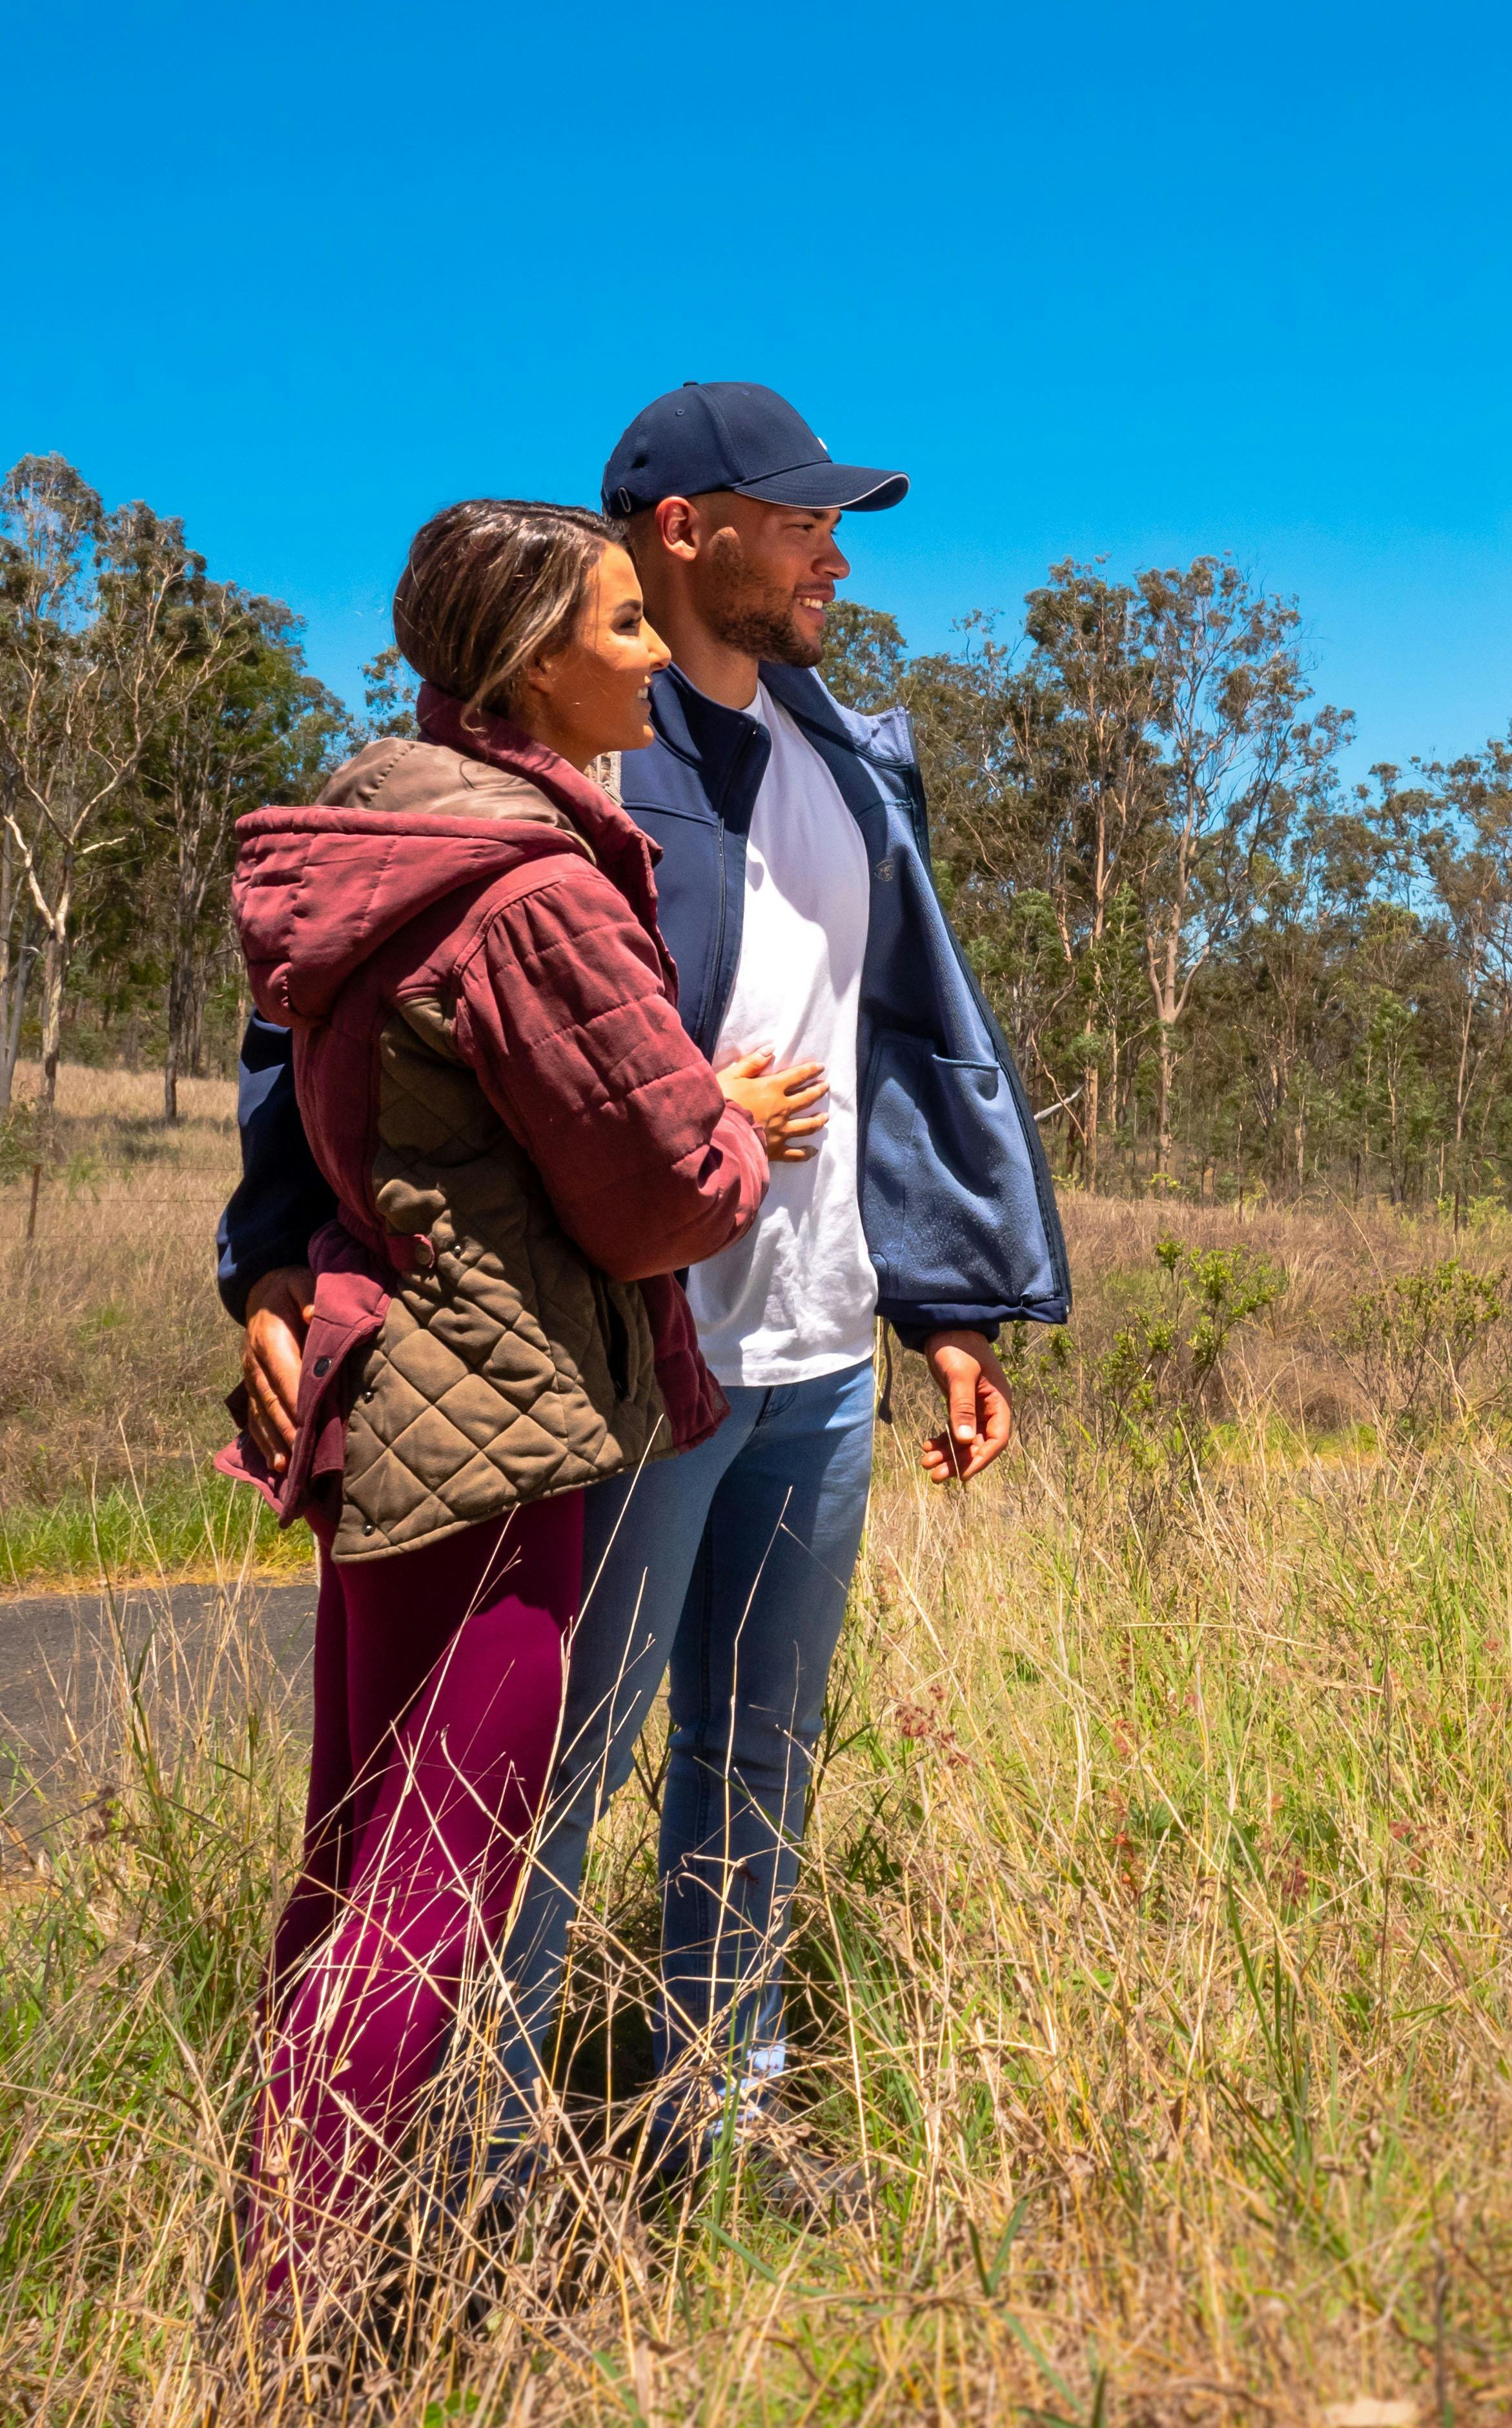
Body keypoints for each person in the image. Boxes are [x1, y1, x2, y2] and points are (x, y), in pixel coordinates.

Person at [219, 384, 1070, 2211]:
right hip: (630, 1361)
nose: (837, 556)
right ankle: (491, 2168)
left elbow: (898, 1043)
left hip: (819, 1348)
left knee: (758, 1753)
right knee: (553, 1771)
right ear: (685, 531)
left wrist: (947, 1306)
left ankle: (718, 2109)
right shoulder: (570, 753)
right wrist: (273, 1254)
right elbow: (323, 1005)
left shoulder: (848, 758)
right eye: (803, 520)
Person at [224, 500, 777, 2295]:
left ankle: (266, 2268)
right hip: (498, 1420)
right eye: (622, 624)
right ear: (533, 665)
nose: (651, 652)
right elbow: (653, 1195)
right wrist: (731, 1128)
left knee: (356, 1859)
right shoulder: (536, 892)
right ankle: (305, 2327)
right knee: (434, 1888)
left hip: (386, 1391)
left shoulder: (380, 837)